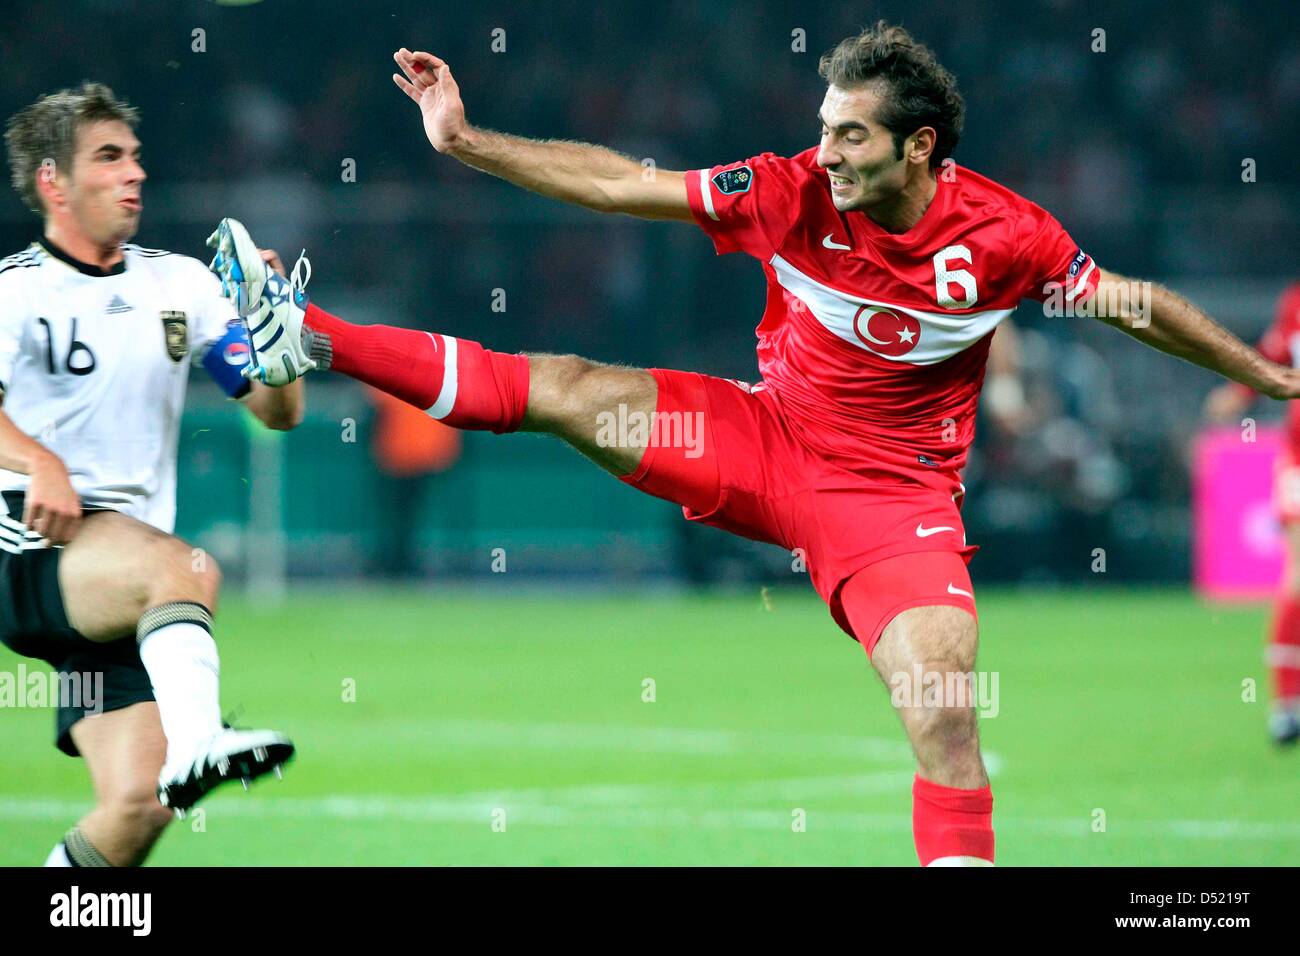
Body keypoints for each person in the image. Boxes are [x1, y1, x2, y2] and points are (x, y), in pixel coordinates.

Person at [216, 24, 1300, 866]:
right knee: (567, 389)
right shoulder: (780, 191)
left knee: (941, 696)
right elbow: (616, 181)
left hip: (891, 499)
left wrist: (1262, 373)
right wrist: (463, 140)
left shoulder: (1005, 235)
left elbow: (1129, 305)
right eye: (822, 126)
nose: (822, 151)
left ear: (918, 146)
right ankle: (302, 335)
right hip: (759, 438)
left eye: (849, 135)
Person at [1, 82, 300, 867]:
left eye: (134, 156)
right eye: (108, 157)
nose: (134, 172)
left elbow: (279, 411)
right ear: (52, 182)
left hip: (124, 584)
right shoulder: (16, 292)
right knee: (187, 566)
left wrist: (276, 330)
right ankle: (202, 738)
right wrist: (38, 461)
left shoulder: (181, 285)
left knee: (136, 807)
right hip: (28, 547)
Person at [1204, 283, 1300, 746]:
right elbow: (1271, 355)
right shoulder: (1294, 302)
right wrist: (1238, 395)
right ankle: (1286, 704)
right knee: (1298, 576)